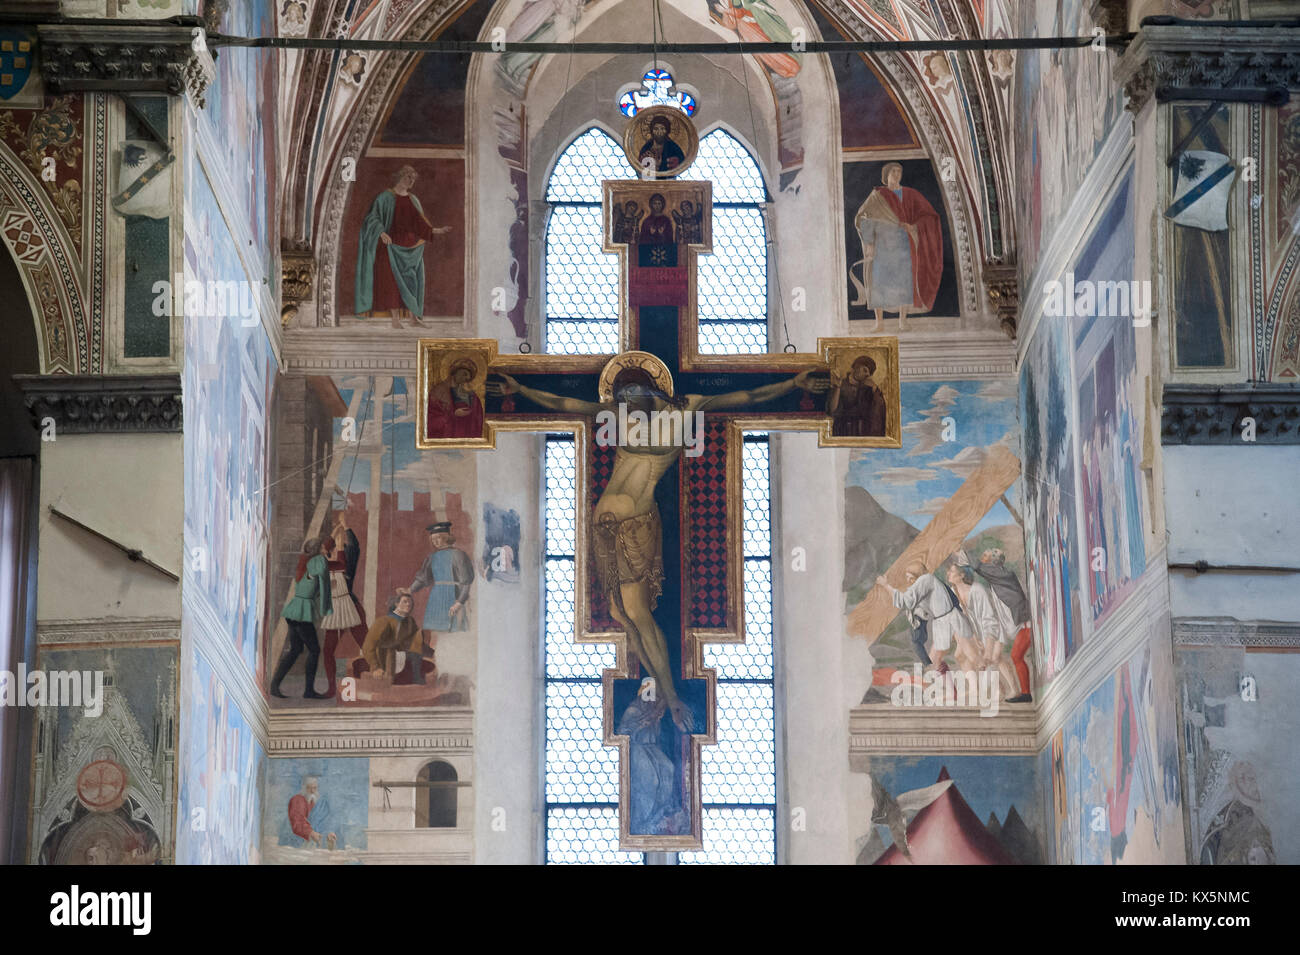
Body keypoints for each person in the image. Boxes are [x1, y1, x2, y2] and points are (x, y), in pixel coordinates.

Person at [489, 364, 819, 731]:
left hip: (636, 526)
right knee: (618, 613)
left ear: (650, 390)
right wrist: (520, 389)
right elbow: (565, 402)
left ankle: (672, 696)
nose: (626, 404)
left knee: (639, 613)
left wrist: (793, 382)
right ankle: (663, 688)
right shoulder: (618, 416)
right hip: (604, 525)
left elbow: (749, 396)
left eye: (631, 396)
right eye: (621, 399)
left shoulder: (687, 408)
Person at [354, 165, 451, 328]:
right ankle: (395, 320)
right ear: (401, 176)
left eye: (413, 179)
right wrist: (381, 233)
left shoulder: (413, 200)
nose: (412, 181)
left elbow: (421, 225)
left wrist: (438, 230)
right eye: (409, 177)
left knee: (412, 280)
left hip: (409, 247)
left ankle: (414, 319)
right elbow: (372, 219)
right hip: (390, 245)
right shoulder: (384, 197)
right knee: (391, 283)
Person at [852, 162, 943, 330]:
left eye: (899, 171)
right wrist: (870, 241)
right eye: (893, 171)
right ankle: (879, 322)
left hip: (903, 243)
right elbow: (861, 218)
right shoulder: (877, 196)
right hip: (881, 245)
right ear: (885, 175)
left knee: (904, 281)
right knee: (878, 281)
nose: (896, 174)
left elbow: (929, 216)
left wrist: (913, 226)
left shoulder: (910, 194)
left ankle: (903, 320)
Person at [954, 548, 1034, 702]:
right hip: (1008, 625)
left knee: (1013, 657)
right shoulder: (998, 577)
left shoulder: (1002, 574)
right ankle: (1013, 691)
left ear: (992, 562)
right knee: (997, 658)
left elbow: (978, 567)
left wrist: (962, 552)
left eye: (985, 556)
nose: (982, 557)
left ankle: (1022, 692)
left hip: (1022, 624)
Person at [876, 560, 975, 674]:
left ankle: (990, 685)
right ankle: (952, 691)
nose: (908, 580)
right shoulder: (923, 587)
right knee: (936, 661)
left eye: (911, 577)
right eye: (907, 577)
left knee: (971, 655)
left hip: (952, 619)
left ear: (919, 576)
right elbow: (919, 609)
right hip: (942, 622)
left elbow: (905, 601)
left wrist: (886, 585)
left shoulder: (926, 579)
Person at [407, 521, 475, 685]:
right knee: (435, 640)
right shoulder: (432, 557)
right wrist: (409, 590)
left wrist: (459, 603)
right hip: (437, 598)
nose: (436, 541)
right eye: (433, 539)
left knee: (453, 638)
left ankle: (453, 674)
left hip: (453, 597)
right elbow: (423, 578)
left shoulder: (458, 555)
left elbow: (466, 582)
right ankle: (439, 672)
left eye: (439, 538)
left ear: (447, 537)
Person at [271, 537, 332, 699]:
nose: (326, 549)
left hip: (294, 611)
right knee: (314, 650)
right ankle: (308, 691)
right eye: (323, 547)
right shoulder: (318, 561)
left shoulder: (305, 561)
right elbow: (324, 583)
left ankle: (274, 685)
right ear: (318, 549)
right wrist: (326, 608)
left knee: (296, 649)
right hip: (301, 612)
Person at [946, 563, 1017, 692]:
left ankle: (1014, 690)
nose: (948, 574)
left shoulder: (978, 590)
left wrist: (988, 647)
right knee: (963, 655)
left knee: (995, 658)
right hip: (976, 631)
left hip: (993, 627)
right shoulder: (953, 592)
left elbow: (990, 618)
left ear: (962, 575)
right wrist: (974, 639)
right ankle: (992, 689)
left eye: (952, 571)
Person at [318, 528, 364, 698]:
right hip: (334, 609)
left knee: (365, 642)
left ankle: (379, 677)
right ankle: (331, 688)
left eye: (323, 549)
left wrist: (345, 529)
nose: (322, 552)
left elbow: (355, 546)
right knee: (328, 650)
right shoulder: (320, 564)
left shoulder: (346, 557)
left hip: (350, 605)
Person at [360, 592, 423, 681]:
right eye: (405, 601)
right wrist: (375, 667)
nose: (408, 604)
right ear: (396, 604)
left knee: (416, 655)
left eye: (410, 602)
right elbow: (368, 646)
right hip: (384, 657)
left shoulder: (410, 621)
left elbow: (415, 640)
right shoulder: (383, 621)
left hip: (401, 654)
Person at [427, 358, 485, 439]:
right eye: (464, 374)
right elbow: (431, 419)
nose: (466, 378)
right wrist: (453, 415)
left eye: (469, 377)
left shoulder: (470, 394)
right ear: (455, 371)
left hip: (462, 434)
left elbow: (477, 416)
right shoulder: (438, 391)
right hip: (445, 436)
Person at [829, 354, 886, 437]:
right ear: (857, 366)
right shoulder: (840, 383)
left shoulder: (868, 389)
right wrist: (838, 387)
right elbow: (832, 410)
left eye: (869, 374)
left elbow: (876, 412)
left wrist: (875, 390)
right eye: (865, 370)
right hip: (842, 429)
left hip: (860, 431)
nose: (866, 375)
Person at [287, 776, 337, 849]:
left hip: (311, 843)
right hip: (295, 844)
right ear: (304, 788)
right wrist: (311, 832)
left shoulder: (314, 802)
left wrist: (329, 833)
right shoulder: (297, 800)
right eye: (309, 787)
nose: (312, 791)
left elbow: (322, 821)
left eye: (314, 788)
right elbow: (298, 821)